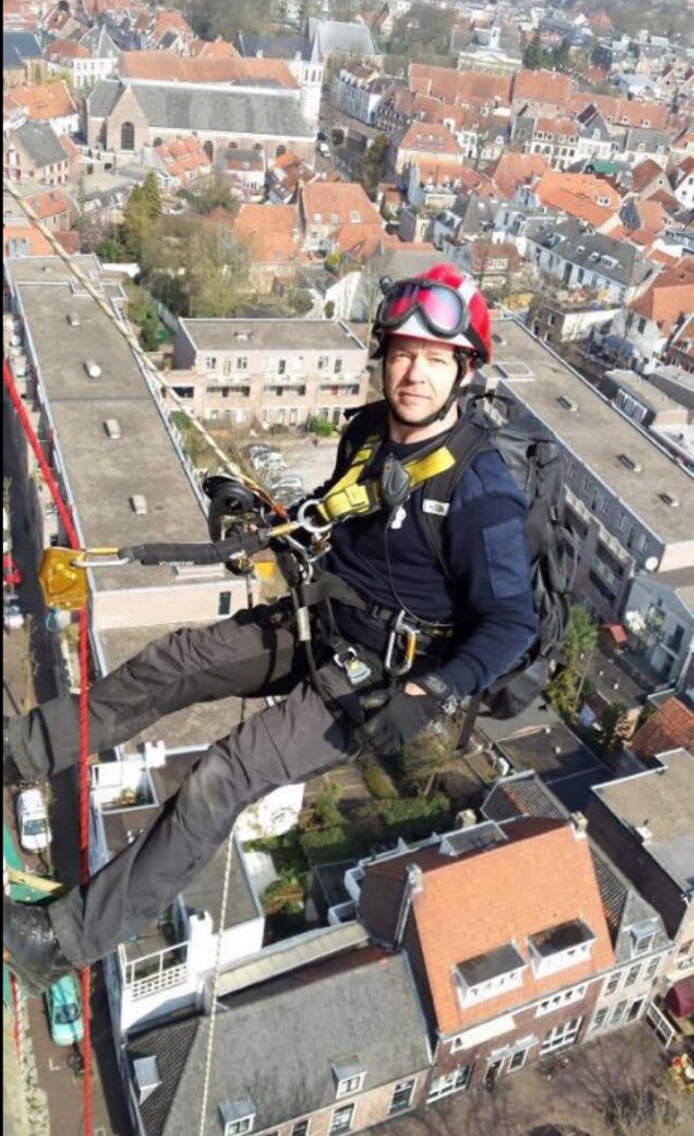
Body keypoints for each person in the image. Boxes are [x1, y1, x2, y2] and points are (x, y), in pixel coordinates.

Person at [3, 263, 537, 995]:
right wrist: (266, 514)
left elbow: (512, 623)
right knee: (174, 662)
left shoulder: (480, 491)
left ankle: (61, 941)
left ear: (465, 370)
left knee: (219, 777)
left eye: (436, 359)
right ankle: (21, 752)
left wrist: (433, 691)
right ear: (385, 356)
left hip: (377, 683)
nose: (414, 373)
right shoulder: (367, 433)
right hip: (321, 618)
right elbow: (335, 514)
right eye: (403, 353)